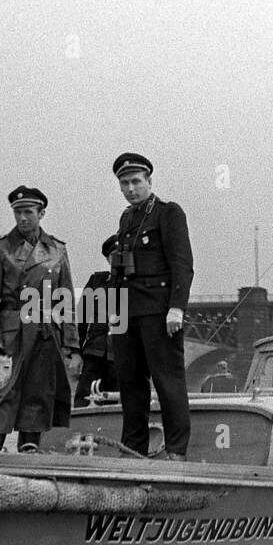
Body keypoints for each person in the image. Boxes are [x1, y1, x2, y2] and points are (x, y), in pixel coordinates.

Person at [0, 186, 81, 452]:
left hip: (45, 332)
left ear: (41, 213)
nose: (22, 218)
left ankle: (30, 450)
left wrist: (71, 345)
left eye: (28, 212)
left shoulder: (57, 250)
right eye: (17, 212)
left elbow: (65, 299)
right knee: (4, 392)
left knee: (39, 394)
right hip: (10, 333)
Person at [107, 153, 193, 460]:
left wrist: (177, 308)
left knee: (168, 382)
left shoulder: (169, 213)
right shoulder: (127, 218)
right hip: (126, 313)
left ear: (149, 181)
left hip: (158, 312)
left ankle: (177, 452)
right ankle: (132, 451)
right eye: (124, 183)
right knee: (131, 386)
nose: (130, 188)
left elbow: (182, 264)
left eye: (135, 181)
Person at [73, 234, 121, 407]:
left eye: (120, 254)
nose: (116, 260)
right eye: (113, 256)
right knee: (84, 400)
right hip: (95, 352)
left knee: (119, 404)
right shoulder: (97, 281)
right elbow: (82, 318)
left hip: (123, 355)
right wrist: (77, 353)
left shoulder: (136, 284)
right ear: (107, 259)